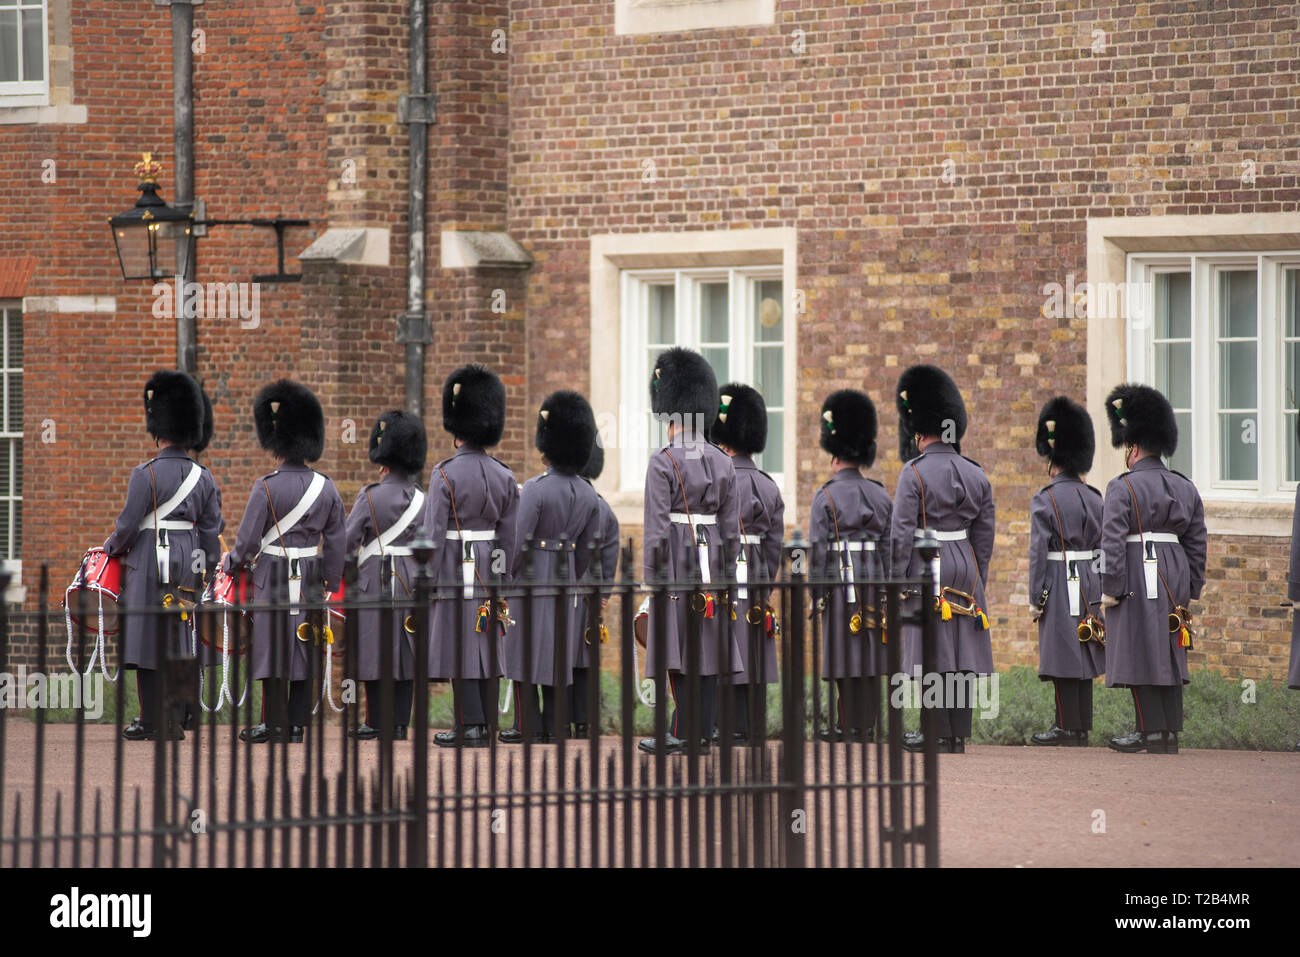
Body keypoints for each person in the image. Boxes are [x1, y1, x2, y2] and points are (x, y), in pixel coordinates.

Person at [225, 380, 346, 744]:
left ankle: (272, 723)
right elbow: (337, 540)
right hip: (309, 575)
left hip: (273, 574)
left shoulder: (266, 487)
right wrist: (329, 578)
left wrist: (231, 563)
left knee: (271, 646)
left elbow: (247, 542)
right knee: (304, 645)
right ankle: (296, 726)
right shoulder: (326, 488)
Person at [107, 370, 223, 741]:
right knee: (181, 636)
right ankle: (178, 719)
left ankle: (149, 719)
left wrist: (110, 548)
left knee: (146, 639)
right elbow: (211, 531)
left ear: (158, 430)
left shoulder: (144, 474)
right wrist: (207, 570)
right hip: (189, 558)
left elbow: (127, 526)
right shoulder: (204, 478)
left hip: (149, 558)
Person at [638, 347, 740, 756]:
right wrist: (727, 572)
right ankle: (704, 733)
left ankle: (681, 732)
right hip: (712, 556)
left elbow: (657, 526)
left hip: (678, 557)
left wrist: (652, 576)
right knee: (709, 644)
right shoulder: (723, 461)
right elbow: (732, 530)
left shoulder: (662, 461)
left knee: (677, 644)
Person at [891, 365, 994, 755]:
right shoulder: (975, 474)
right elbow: (984, 534)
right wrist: (976, 574)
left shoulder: (913, 473)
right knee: (962, 647)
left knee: (932, 645)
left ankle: (932, 729)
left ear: (919, 431)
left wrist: (899, 579)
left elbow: (901, 532)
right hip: (965, 560)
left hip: (926, 562)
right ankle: (956, 734)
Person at [1101, 384, 1206, 755]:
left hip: (1139, 569)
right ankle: (1169, 733)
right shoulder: (1185, 486)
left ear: (1132, 446)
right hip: (1175, 572)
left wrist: (1110, 587)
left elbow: (1112, 541)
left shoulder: (1121, 487)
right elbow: (1197, 541)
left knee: (1140, 648)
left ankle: (1149, 731)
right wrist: (1192, 585)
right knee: (1170, 646)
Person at [424, 365, 519, 749]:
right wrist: (502, 575)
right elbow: (509, 536)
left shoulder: (443, 473)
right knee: (488, 641)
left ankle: (469, 726)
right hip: (490, 564)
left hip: (453, 562)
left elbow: (432, 534)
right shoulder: (504, 475)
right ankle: (486, 723)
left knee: (460, 641)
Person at [502, 391, 601, 743]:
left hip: (532, 574)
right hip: (567, 575)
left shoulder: (534, 489)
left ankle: (527, 724)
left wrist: (509, 579)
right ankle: (555, 724)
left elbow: (518, 541)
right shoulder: (589, 495)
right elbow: (587, 549)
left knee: (523, 650)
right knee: (558, 653)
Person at [809, 389, 891, 743]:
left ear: (834, 455)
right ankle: (867, 724)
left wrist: (818, 593)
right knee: (871, 650)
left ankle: (846, 725)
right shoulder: (881, 494)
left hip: (841, 577)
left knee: (844, 651)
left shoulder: (824, 496)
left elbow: (818, 550)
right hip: (874, 576)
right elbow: (892, 546)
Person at [708, 383, 784, 745]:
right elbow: (775, 546)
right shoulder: (769, 486)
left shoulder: (716, 477)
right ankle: (751, 726)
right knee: (753, 642)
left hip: (723, 568)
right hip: (755, 572)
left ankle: (725, 724)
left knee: (724, 640)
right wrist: (765, 585)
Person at [345, 410, 428, 741]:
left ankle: (376, 721)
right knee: (406, 651)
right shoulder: (423, 499)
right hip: (410, 579)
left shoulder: (370, 496)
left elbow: (349, 540)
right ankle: (399, 724)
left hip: (375, 579)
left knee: (374, 648)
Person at [1027, 396, 1104, 746]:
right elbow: (1104, 549)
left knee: (1060, 652)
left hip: (1058, 579)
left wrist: (1036, 597)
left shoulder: (1046, 498)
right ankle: (1081, 727)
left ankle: (1064, 727)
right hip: (1088, 579)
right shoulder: (1095, 497)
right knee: (1085, 643)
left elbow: (1038, 555)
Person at [568, 440, 620, 739]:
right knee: (584, 658)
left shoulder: (567, 496)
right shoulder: (602, 506)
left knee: (561, 654)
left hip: (563, 586)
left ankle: (561, 720)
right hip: (589, 590)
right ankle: (585, 722)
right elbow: (610, 555)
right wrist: (604, 593)